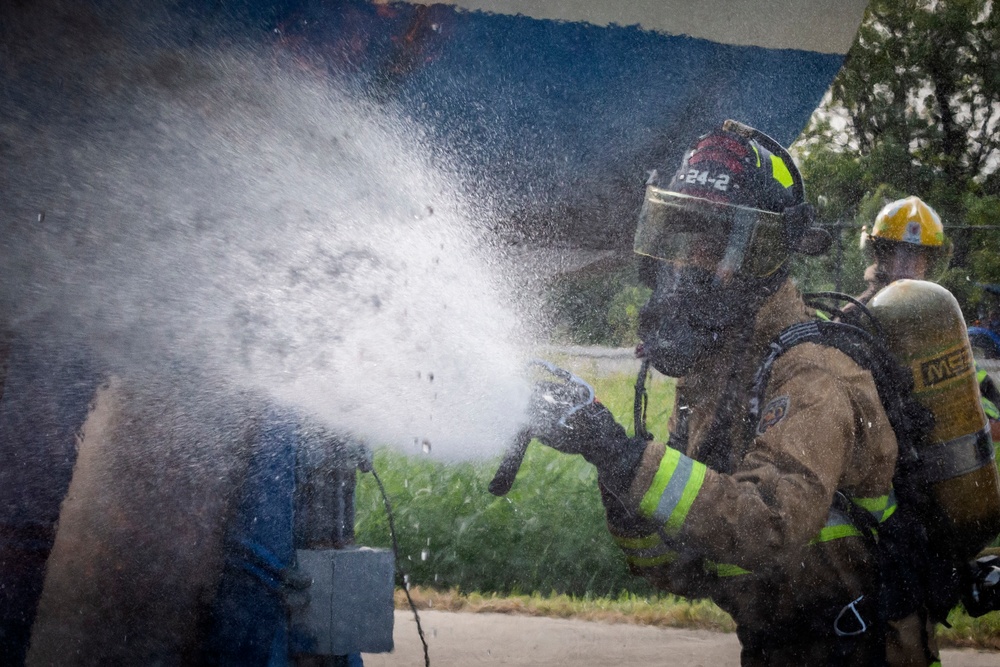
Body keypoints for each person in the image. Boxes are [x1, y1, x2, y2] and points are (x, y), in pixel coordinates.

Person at [531, 121, 939, 665]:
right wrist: (614, 470)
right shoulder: (713, 382)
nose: (687, 267)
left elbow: (769, 524)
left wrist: (625, 457)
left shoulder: (811, 377)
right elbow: (688, 566)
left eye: (713, 243)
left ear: (761, 255)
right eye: (682, 241)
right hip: (775, 650)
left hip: (858, 650)